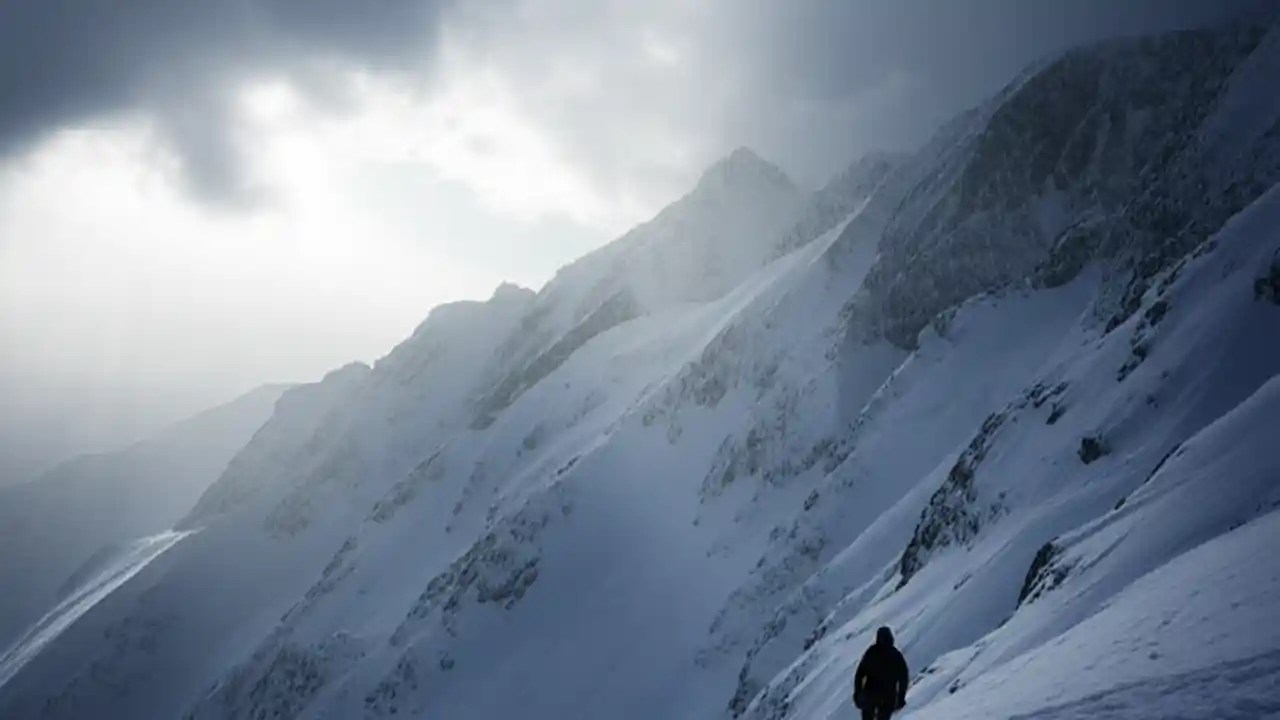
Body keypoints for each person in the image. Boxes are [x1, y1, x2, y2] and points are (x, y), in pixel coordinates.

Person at [853, 626, 909, 720]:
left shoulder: (872, 653)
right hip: (887, 697)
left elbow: (860, 674)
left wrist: (858, 693)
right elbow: (903, 678)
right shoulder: (895, 655)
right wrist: (900, 698)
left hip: (871, 695)